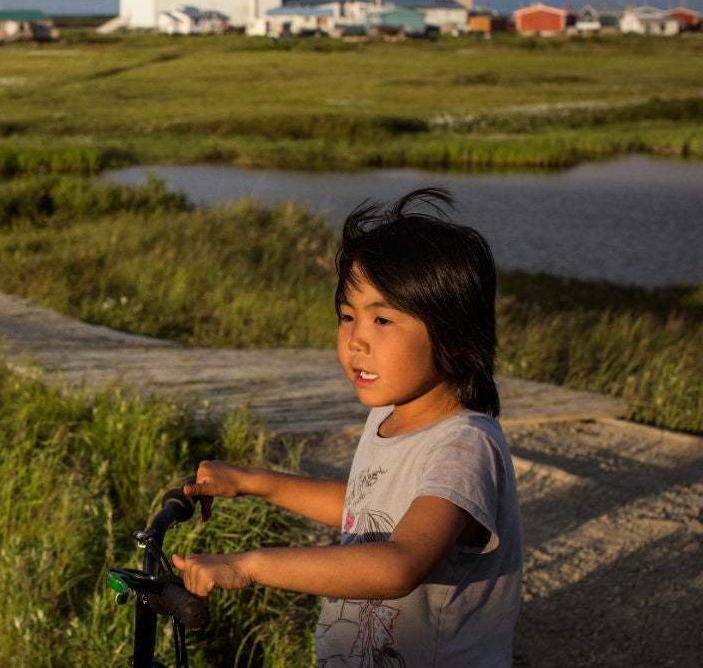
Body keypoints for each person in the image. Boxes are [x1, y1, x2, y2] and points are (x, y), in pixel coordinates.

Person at [172, 187, 523, 667]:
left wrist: (248, 565)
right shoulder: (388, 415)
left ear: (456, 338)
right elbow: (367, 507)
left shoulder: (466, 447)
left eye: (382, 319)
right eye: (346, 316)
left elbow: (400, 562)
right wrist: (256, 482)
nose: (356, 339)